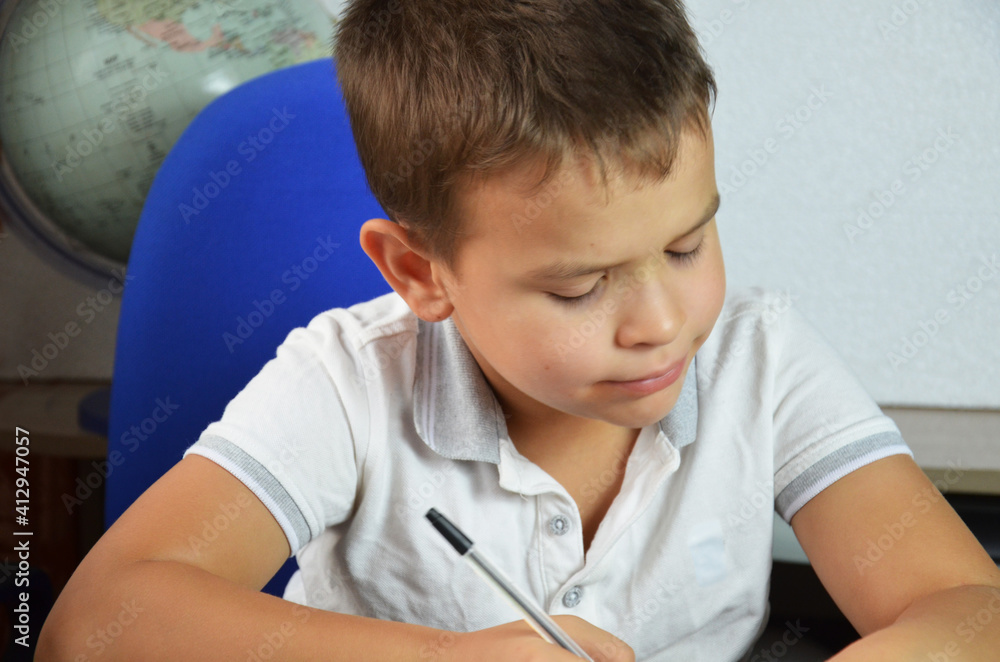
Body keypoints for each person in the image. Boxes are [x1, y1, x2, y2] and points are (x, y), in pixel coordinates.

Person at [38, 1, 1000, 660]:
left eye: (686, 245)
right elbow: (96, 627)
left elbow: (971, 610)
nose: (663, 325)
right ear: (419, 272)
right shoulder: (348, 382)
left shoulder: (761, 358)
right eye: (580, 288)